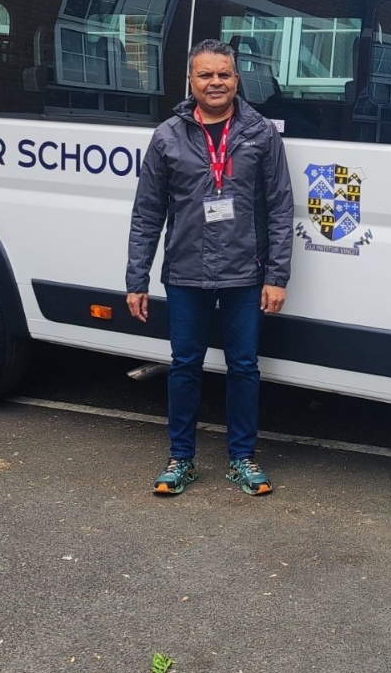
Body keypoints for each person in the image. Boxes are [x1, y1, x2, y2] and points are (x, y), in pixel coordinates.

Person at [125, 39, 294, 496]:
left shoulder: (260, 134)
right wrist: (135, 278)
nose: (215, 82)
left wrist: (277, 275)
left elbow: (280, 208)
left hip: (245, 271)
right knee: (184, 366)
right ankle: (181, 459)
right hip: (186, 270)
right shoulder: (167, 136)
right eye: (206, 74)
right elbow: (148, 212)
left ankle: (242, 458)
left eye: (224, 74)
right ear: (191, 81)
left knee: (243, 367)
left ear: (237, 80)